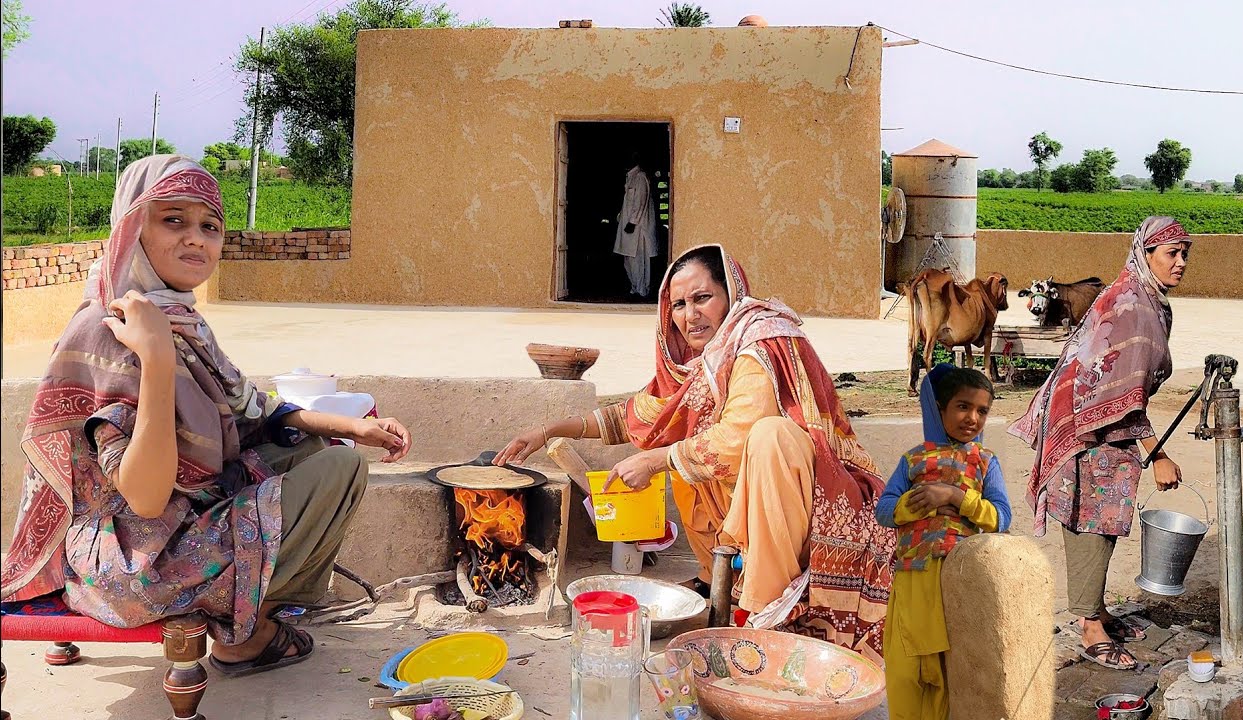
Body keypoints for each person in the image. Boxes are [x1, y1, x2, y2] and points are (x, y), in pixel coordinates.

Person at [0, 156, 413, 677]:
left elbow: (251, 410)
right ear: (132, 226)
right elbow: (145, 498)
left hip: (176, 529)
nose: (196, 238)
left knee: (316, 449)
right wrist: (155, 360)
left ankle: (245, 607)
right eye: (173, 219)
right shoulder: (109, 331)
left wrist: (355, 427)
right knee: (340, 471)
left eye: (210, 225)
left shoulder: (178, 319)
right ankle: (246, 635)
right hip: (131, 567)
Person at [496, 244, 895, 657]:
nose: (690, 315)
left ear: (731, 294)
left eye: (703, 298)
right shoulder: (704, 365)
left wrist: (655, 460)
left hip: (819, 502)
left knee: (767, 436)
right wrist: (548, 430)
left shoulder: (761, 339)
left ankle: (762, 612)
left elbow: (739, 436)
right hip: (762, 505)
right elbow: (640, 416)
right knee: (679, 436)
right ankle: (717, 580)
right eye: (679, 304)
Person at [1010, 216, 1190, 671]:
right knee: (1090, 519)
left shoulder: (1145, 296)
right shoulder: (1131, 304)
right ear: (1146, 253)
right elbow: (1125, 398)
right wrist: (1160, 455)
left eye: (1185, 253)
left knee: (1107, 518)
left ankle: (1099, 609)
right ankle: (1089, 626)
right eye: (1172, 253)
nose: (1181, 262)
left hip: (1102, 422)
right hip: (1085, 428)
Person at [875, 365, 1011, 720]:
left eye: (983, 410)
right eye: (963, 406)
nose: (973, 418)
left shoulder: (985, 463)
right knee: (907, 674)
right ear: (939, 408)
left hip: (959, 580)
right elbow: (884, 510)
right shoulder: (913, 459)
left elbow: (1001, 518)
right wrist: (919, 501)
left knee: (950, 676)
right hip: (914, 580)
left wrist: (955, 495)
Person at [613, 152, 658, 300]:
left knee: (639, 259)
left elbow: (640, 202)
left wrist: (632, 222)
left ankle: (642, 290)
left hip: (638, 228)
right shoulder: (630, 176)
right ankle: (634, 288)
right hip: (628, 226)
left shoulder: (640, 177)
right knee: (628, 258)